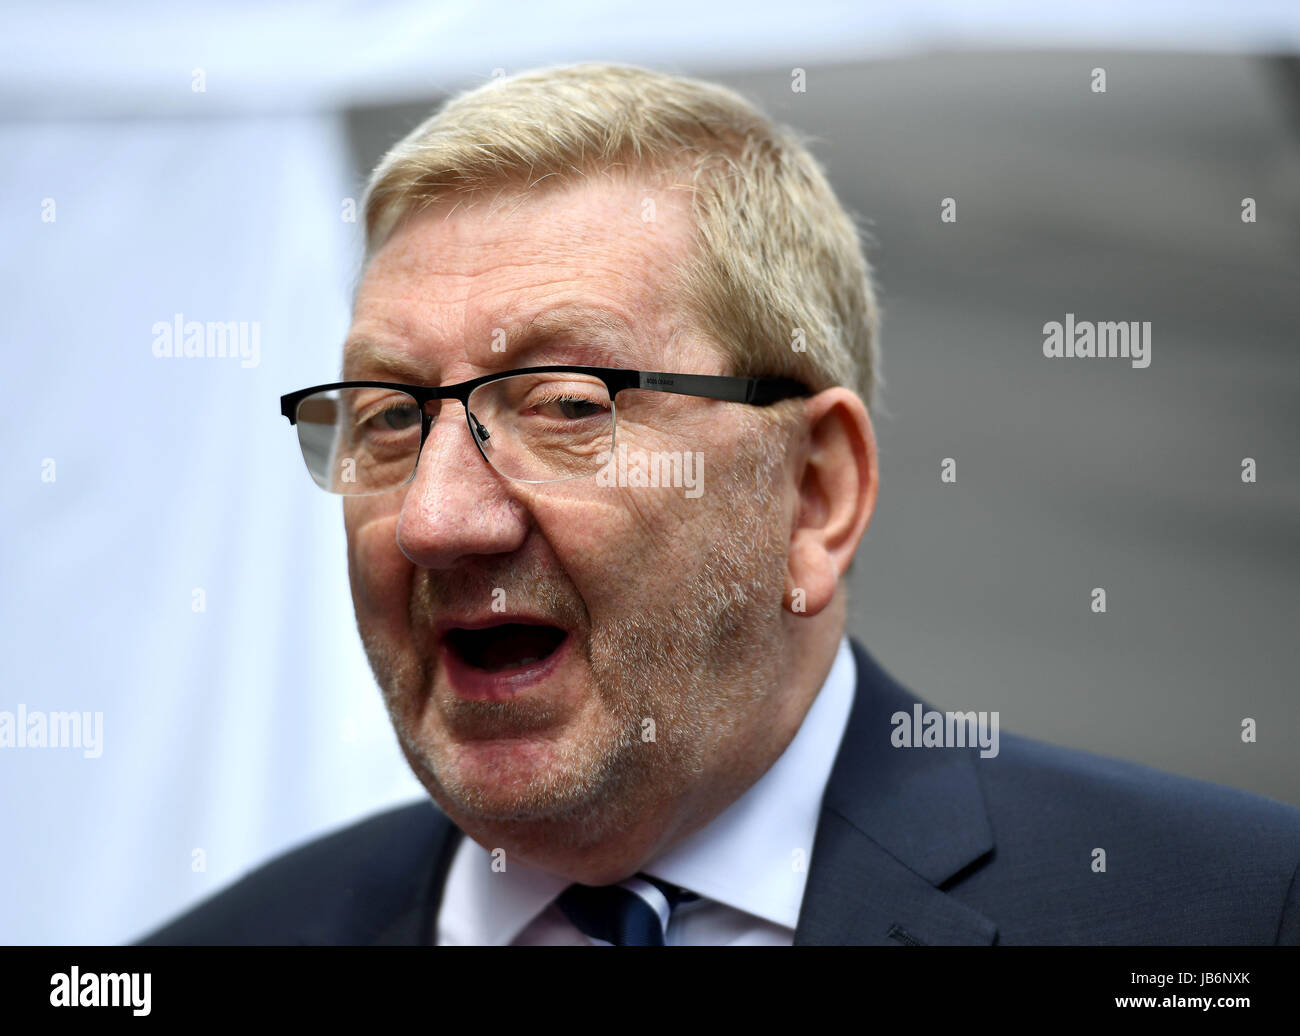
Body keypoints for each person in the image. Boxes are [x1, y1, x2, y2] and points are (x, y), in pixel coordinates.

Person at [140, 62, 1300, 946]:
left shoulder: (1225, 914)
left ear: (814, 495)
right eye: (392, 417)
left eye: (566, 403)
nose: (436, 519)